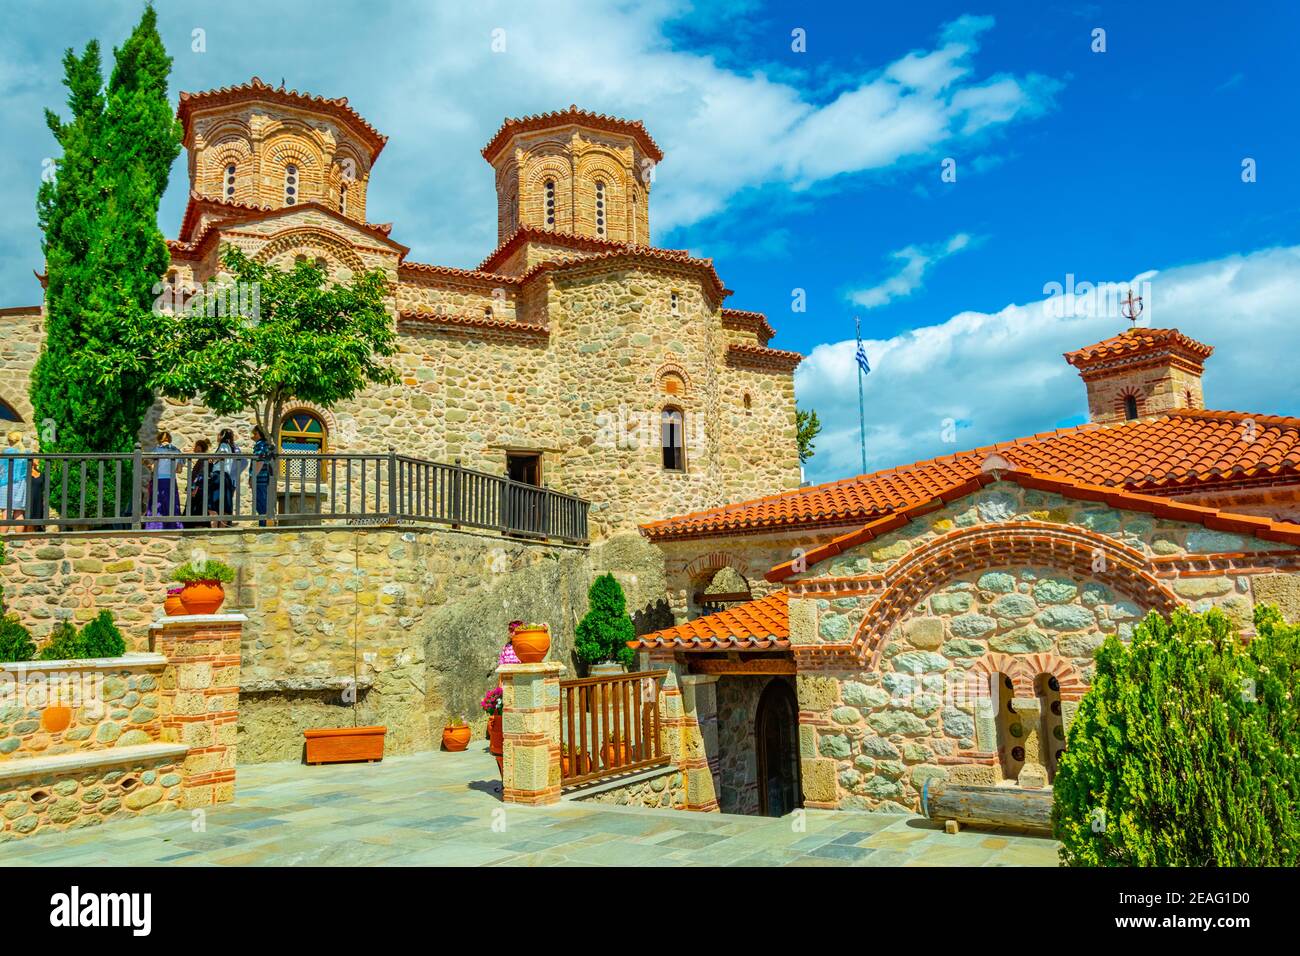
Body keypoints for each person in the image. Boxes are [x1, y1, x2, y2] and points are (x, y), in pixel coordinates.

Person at [147, 431, 182, 530]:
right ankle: (173, 525)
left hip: (159, 480)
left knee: (157, 502)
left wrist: (146, 464)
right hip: (171, 480)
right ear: (169, 439)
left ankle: (156, 526)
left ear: (159, 439)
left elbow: (153, 468)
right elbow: (179, 470)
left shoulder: (156, 450)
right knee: (171, 502)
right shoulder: (177, 451)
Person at [212, 428, 243, 526]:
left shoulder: (223, 445)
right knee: (225, 503)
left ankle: (216, 526)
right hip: (226, 476)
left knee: (214, 502)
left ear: (222, 436)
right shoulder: (231, 447)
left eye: (219, 434)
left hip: (219, 474)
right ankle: (222, 526)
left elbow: (222, 455)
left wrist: (211, 459)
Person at [0, 430, 28, 529]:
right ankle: (19, 541)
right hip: (21, 485)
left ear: (10, 440)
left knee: (5, 514)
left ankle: (2, 540)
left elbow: (1, 469)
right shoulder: (27, 453)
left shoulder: (8, 452)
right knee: (19, 513)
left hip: (6, 484)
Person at [250, 424, 273, 525]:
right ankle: (263, 524)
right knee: (261, 503)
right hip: (263, 477)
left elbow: (260, 461)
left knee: (260, 504)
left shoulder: (260, 445)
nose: (253, 436)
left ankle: (263, 526)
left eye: (254, 433)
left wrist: (252, 477)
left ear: (259, 434)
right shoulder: (264, 444)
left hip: (260, 478)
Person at [187, 439, 213, 528]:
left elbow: (201, 475)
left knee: (196, 510)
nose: (194, 448)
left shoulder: (203, 459)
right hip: (200, 489)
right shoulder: (202, 459)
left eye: (196, 446)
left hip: (199, 490)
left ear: (200, 448)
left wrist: (195, 488)